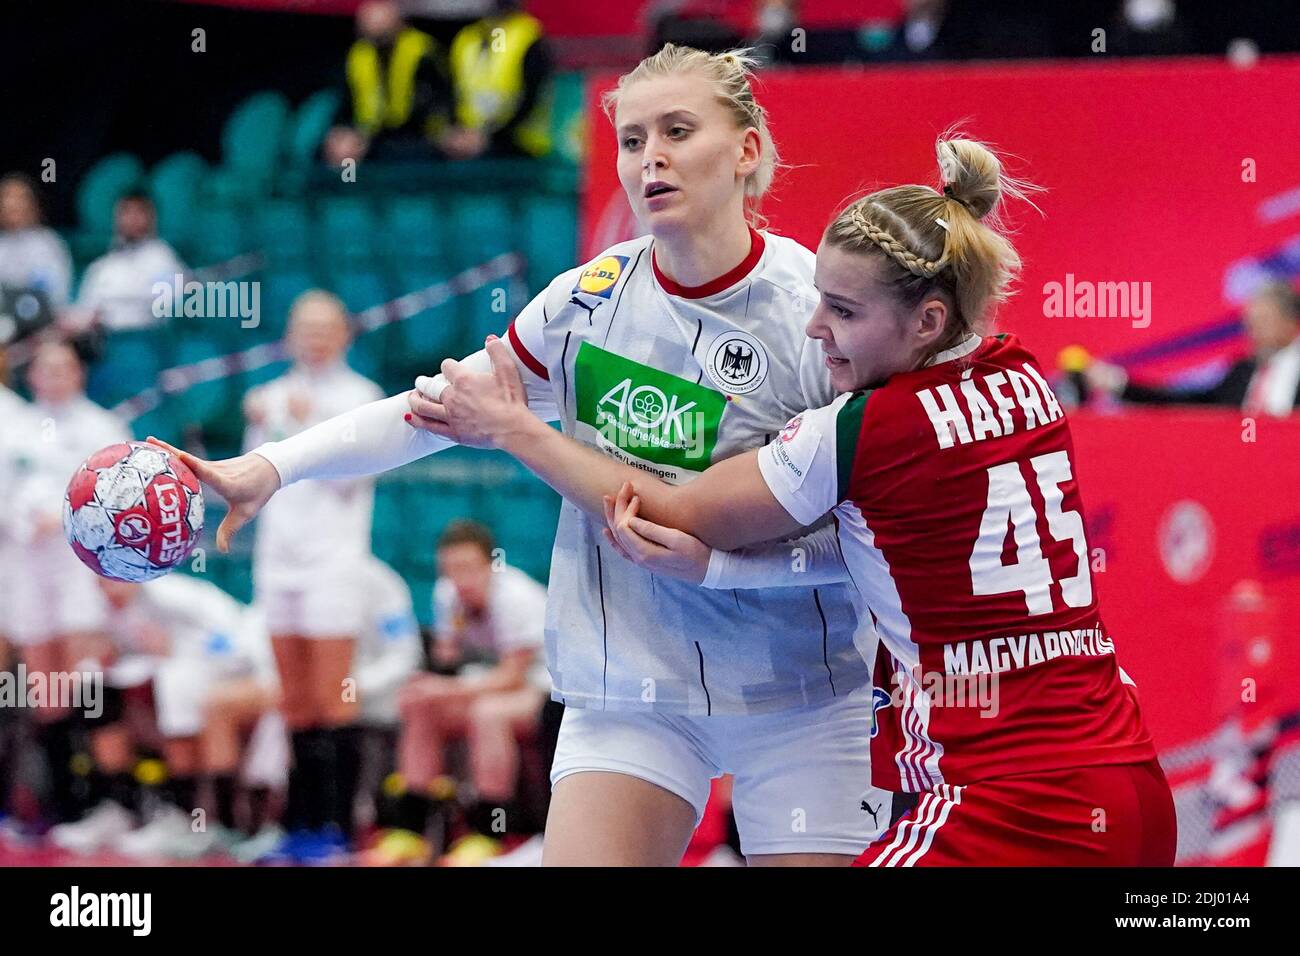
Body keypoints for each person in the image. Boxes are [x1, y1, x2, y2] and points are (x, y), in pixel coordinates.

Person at [148, 44, 888, 867]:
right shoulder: (585, 300)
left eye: (679, 131)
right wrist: (273, 468)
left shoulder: (816, 314)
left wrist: (721, 566)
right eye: (634, 140)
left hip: (804, 696)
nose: (653, 159)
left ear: (747, 149)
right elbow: (438, 408)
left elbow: (871, 545)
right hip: (632, 695)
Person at [422, 135, 1177, 866]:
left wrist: (518, 430)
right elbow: (855, 558)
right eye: (819, 303)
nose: (816, 327)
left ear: (928, 321)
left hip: (1011, 803)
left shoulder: (860, 433)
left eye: (844, 313)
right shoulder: (1027, 380)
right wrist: (718, 574)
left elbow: (662, 508)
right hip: (1133, 785)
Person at [240, 289, 384, 863]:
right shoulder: (267, 398)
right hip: (279, 563)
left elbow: (352, 477)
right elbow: (254, 481)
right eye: (305, 327)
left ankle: (340, 827)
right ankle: (296, 823)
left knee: (332, 697)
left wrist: (310, 426)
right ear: (290, 334)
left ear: (345, 333)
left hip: (334, 563)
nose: (315, 337)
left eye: (326, 327)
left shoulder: (364, 398)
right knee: (294, 702)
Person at [366, 520, 546, 866]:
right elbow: (449, 661)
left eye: (467, 569)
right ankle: (410, 830)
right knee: (419, 705)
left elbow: (512, 677)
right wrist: (432, 681)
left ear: (490, 566)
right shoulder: (447, 594)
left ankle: (487, 833)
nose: (458, 579)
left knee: (488, 713)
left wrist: (447, 688)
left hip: (539, 690)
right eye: (449, 570)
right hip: (482, 686)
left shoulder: (517, 598)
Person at [7, 341, 126, 827]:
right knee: (44, 686)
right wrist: (20, 520)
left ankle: (111, 801)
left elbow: (124, 496)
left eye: (65, 367)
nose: (55, 376)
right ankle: (63, 805)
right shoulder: (12, 427)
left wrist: (63, 519)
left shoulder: (103, 428)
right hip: (26, 564)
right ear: (32, 375)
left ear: (80, 373)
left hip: (82, 564)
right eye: (46, 367)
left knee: (89, 677)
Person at [1086, 280, 1300, 416]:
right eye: (1249, 323)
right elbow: (1191, 403)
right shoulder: (1242, 370)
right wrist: (1120, 384)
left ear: (1291, 322)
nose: (1252, 331)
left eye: (1262, 321)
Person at [324, 0, 450, 167]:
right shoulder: (356, 56)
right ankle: (348, 185)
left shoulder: (423, 51)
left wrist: (440, 130)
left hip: (418, 137)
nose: (376, 40)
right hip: (370, 139)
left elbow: (442, 99)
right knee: (344, 160)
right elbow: (343, 103)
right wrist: (345, 133)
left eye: (382, 34)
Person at [441, 0, 553, 160]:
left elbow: (532, 97)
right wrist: (458, 131)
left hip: (519, 146)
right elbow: (453, 90)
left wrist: (490, 138)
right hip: (469, 143)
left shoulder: (528, 36)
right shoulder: (467, 38)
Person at [73, 192, 186, 332]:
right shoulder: (100, 266)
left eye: (139, 212)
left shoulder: (164, 258)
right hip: (100, 339)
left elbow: (166, 308)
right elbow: (85, 309)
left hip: (144, 340)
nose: (132, 219)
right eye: (126, 212)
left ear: (153, 218)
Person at [0, 173, 73, 311]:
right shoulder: (2, 244)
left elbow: (51, 295)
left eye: (20, 198)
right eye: (6, 197)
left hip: (38, 321)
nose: (11, 203)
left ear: (33, 204)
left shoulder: (47, 244)